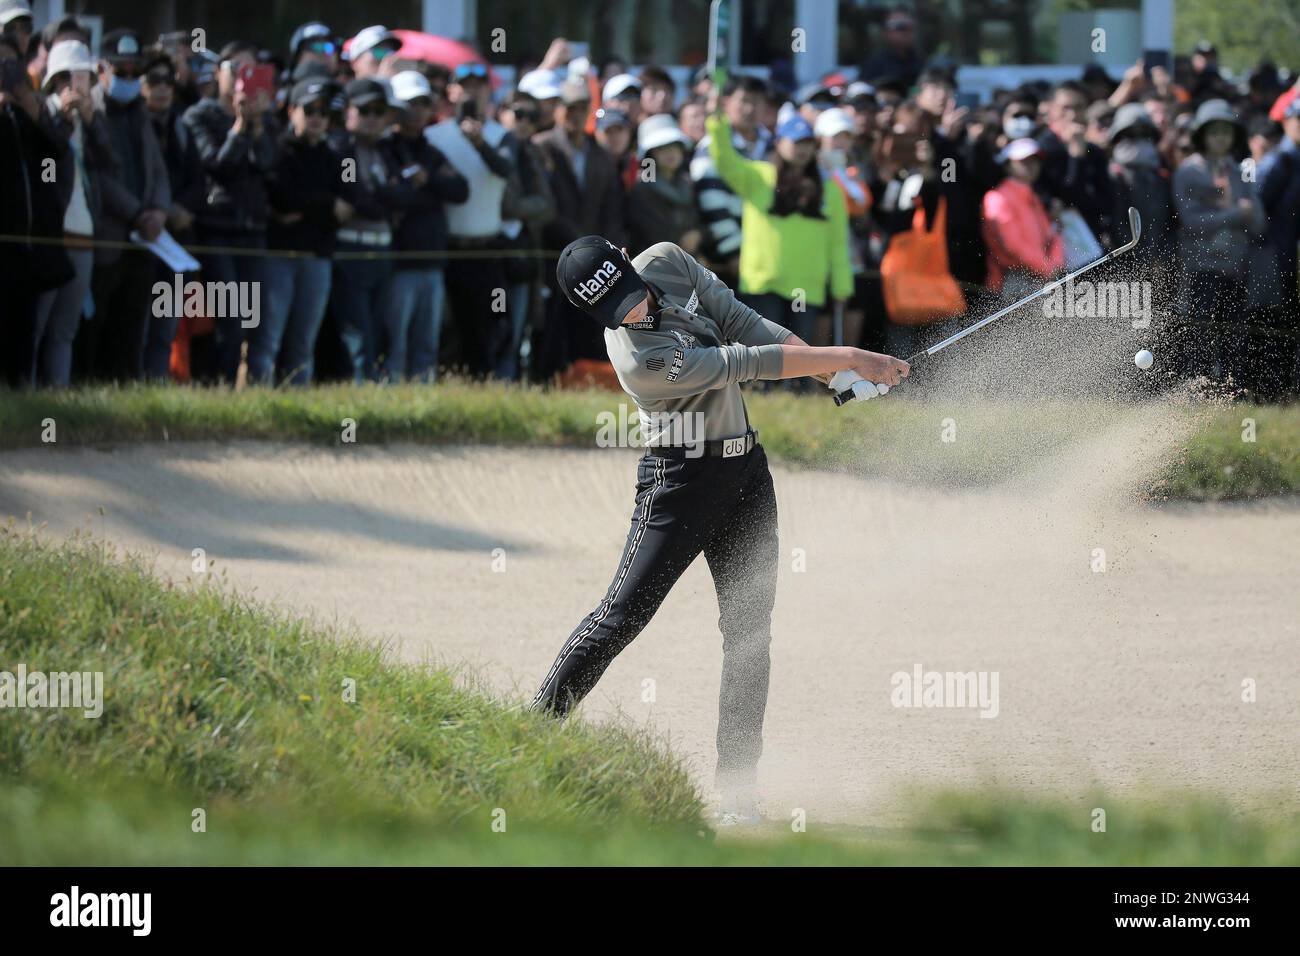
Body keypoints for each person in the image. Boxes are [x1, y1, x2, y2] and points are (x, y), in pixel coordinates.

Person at [532, 235, 909, 824]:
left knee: (749, 634)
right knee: (621, 616)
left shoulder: (666, 260)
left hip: (745, 475)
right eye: (612, 311)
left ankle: (737, 794)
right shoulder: (637, 356)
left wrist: (827, 373)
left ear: (629, 265)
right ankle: (530, 733)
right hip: (679, 483)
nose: (628, 313)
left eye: (628, 296)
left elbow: (738, 319)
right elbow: (742, 362)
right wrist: (850, 359)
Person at [708, 103, 853, 349]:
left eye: (807, 142)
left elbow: (838, 242)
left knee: (803, 353)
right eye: (795, 141)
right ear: (779, 143)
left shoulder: (830, 190)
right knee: (765, 352)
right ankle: (763, 389)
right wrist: (717, 122)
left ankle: (798, 389)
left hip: (807, 284)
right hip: (765, 281)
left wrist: (841, 285)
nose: (802, 149)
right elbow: (724, 159)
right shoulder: (757, 176)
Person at [183, 40, 278, 383]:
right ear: (218, 73)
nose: (243, 78)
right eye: (236, 70)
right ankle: (217, 390)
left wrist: (257, 125)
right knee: (229, 321)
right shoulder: (200, 115)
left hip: (253, 231)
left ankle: (249, 396)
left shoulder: (264, 120)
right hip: (217, 230)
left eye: (251, 71)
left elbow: (268, 164)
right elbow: (217, 165)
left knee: (256, 323)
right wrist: (239, 127)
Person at [82, 27, 171, 383]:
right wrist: (137, 213)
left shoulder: (139, 111)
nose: (131, 79)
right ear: (102, 69)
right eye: (122, 72)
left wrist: (159, 211)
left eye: (136, 72)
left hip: (144, 242)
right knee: (96, 328)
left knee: (131, 328)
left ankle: (125, 396)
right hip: (108, 239)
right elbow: (99, 176)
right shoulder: (91, 112)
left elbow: (158, 171)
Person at [426, 61, 516, 377]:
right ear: (451, 91)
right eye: (464, 85)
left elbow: (505, 169)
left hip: (486, 250)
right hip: (445, 248)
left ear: (489, 91)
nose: (471, 91)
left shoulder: (501, 135)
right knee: (445, 328)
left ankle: (482, 387)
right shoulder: (434, 135)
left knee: (486, 328)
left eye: (479, 85)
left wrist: (479, 143)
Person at [34, 40, 114, 387]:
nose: (76, 87)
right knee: (34, 327)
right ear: (55, 80)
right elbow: (46, 170)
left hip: (83, 235)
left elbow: (111, 164)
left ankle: (56, 406)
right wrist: (64, 124)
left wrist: (90, 121)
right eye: (69, 78)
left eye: (82, 78)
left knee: (65, 331)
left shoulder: (93, 121)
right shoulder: (41, 115)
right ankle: (27, 405)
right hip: (48, 237)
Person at [380, 70, 469, 382]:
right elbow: (392, 197)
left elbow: (460, 190)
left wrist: (426, 181)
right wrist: (430, 192)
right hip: (399, 261)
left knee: (426, 344)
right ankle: (390, 404)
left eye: (422, 103)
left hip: (432, 260)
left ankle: (421, 404)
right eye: (410, 104)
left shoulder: (430, 151)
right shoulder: (385, 149)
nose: (416, 111)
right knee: (394, 341)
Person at [259, 78, 349, 385]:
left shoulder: (337, 157)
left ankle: (296, 408)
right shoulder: (277, 149)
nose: (317, 117)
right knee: (267, 340)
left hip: (317, 257)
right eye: (310, 109)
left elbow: (350, 203)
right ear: (292, 110)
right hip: (279, 257)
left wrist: (307, 206)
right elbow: (282, 199)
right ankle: (255, 407)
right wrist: (325, 205)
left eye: (323, 112)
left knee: (302, 344)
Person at [1, 31, 73, 388]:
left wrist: (31, 107)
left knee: (22, 345)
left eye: (11, 63)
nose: (5, 70)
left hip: (28, 252)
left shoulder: (28, 113)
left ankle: (23, 414)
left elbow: (58, 150)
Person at [1174, 99, 1265, 380]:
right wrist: (1233, 214)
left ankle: (1231, 387)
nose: (1221, 138)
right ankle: (1198, 387)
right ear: (1201, 135)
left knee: (1234, 331)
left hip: (1235, 266)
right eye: (1214, 131)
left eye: (1226, 131)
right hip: (1201, 266)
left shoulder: (1239, 172)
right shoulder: (1189, 171)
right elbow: (1190, 222)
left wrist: (1243, 210)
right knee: (1200, 328)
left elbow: (1259, 223)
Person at [328, 77, 407, 382]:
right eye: (365, 111)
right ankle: (359, 400)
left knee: (379, 331)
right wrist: (387, 197)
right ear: (348, 111)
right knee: (358, 335)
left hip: (383, 250)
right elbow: (356, 197)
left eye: (379, 111)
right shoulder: (340, 148)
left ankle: (373, 391)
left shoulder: (387, 150)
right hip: (352, 250)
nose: (373, 118)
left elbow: (407, 196)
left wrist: (384, 196)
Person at [689, 74, 771, 288]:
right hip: (729, 261)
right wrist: (734, 251)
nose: (750, 109)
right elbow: (711, 203)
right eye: (744, 101)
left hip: (769, 258)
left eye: (757, 101)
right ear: (726, 103)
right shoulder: (711, 147)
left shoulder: (775, 145)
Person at [981, 138, 1064, 299]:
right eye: (1023, 161)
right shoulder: (997, 197)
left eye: (1034, 160)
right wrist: (1048, 269)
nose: (1031, 165)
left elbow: (1051, 236)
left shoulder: (1032, 196)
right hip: (1016, 280)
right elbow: (1013, 245)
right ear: (1008, 165)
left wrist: (1055, 265)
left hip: (1042, 277)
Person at [626, 113, 701, 256]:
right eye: (661, 148)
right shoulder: (642, 191)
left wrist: (699, 234)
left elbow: (700, 220)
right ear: (650, 155)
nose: (670, 153)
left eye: (674, 146)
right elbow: (653, 235)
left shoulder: (688, 182)